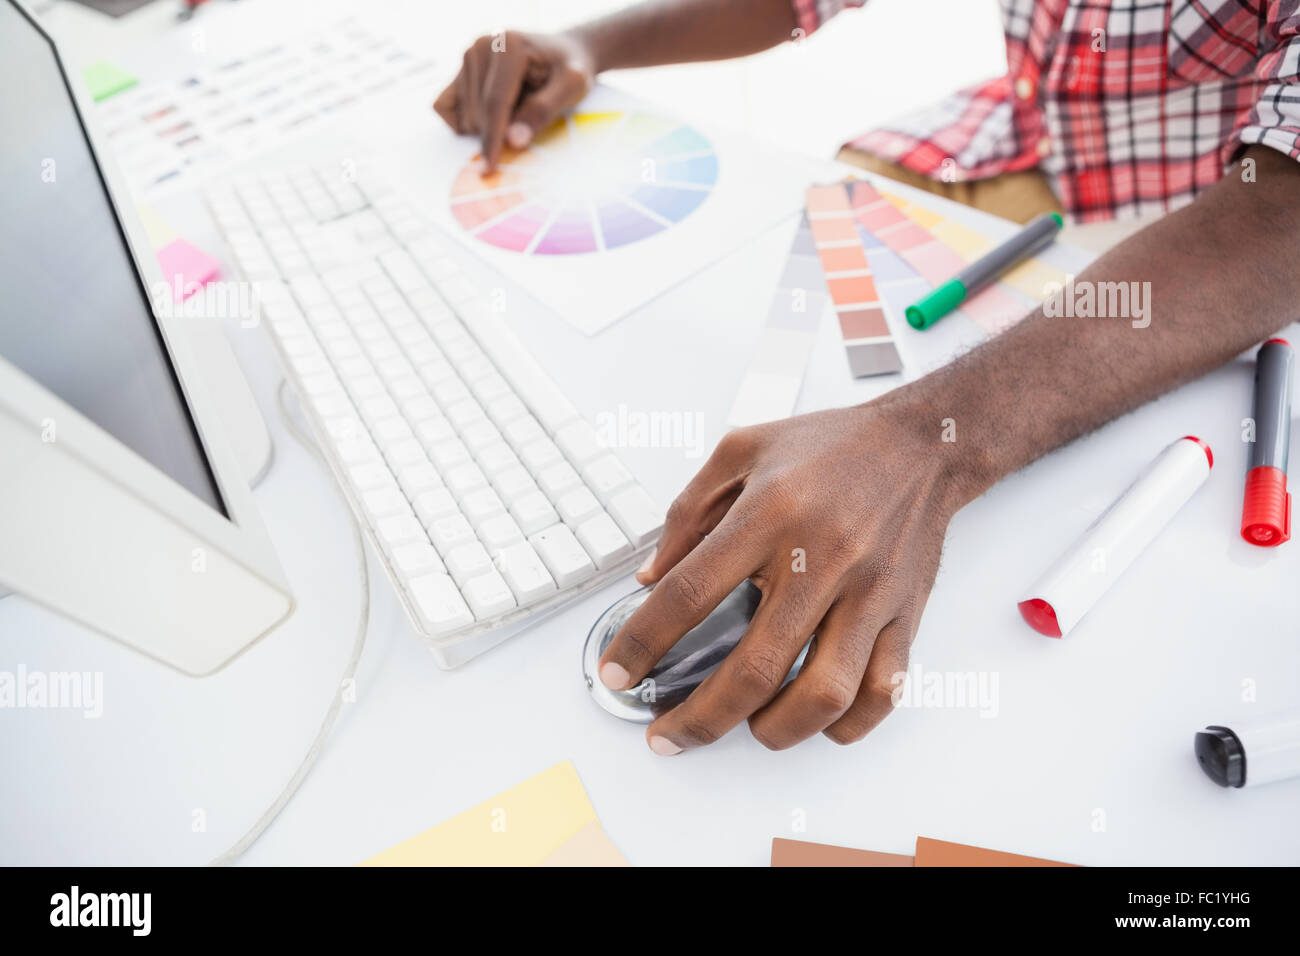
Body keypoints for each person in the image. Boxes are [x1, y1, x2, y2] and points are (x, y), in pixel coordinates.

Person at [434, 0, 1300, 756]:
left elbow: (1283, 218)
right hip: (1018, 139)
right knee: (821, 216)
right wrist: (592, 41)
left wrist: (925, 439)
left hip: (1211, 226)